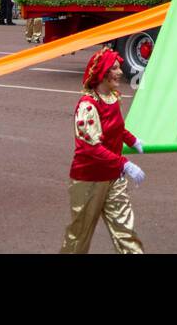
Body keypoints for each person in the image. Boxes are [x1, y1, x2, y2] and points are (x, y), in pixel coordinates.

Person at [60, 48, 145, 254]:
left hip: (114, 177)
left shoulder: (113, 98)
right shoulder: (87, 106)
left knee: (126, 231)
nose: (120, 72)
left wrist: (133, 140)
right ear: (103, 73)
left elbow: (117, 127)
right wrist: (124, 163)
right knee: (80, 235)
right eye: (114, 68)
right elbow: (91, 148)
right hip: (89, 179)